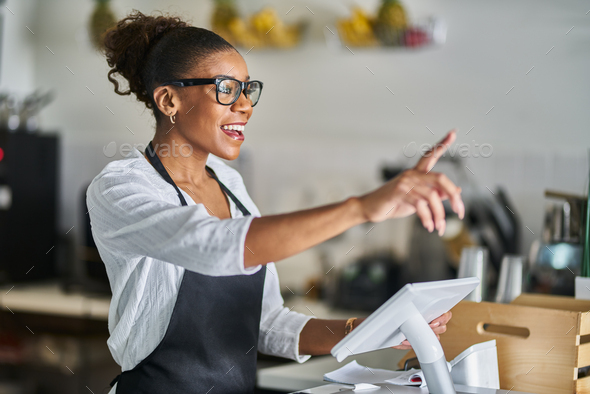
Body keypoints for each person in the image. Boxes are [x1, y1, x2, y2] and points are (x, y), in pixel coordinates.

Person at [87, 11, 463, 394]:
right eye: (226, 89)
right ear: (168, 99)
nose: (245, 106)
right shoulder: (121, 187)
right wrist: (360, 208)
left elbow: (265, 324)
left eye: (247, 90)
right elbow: (213, 245)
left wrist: (370, 329)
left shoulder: (231, 185)